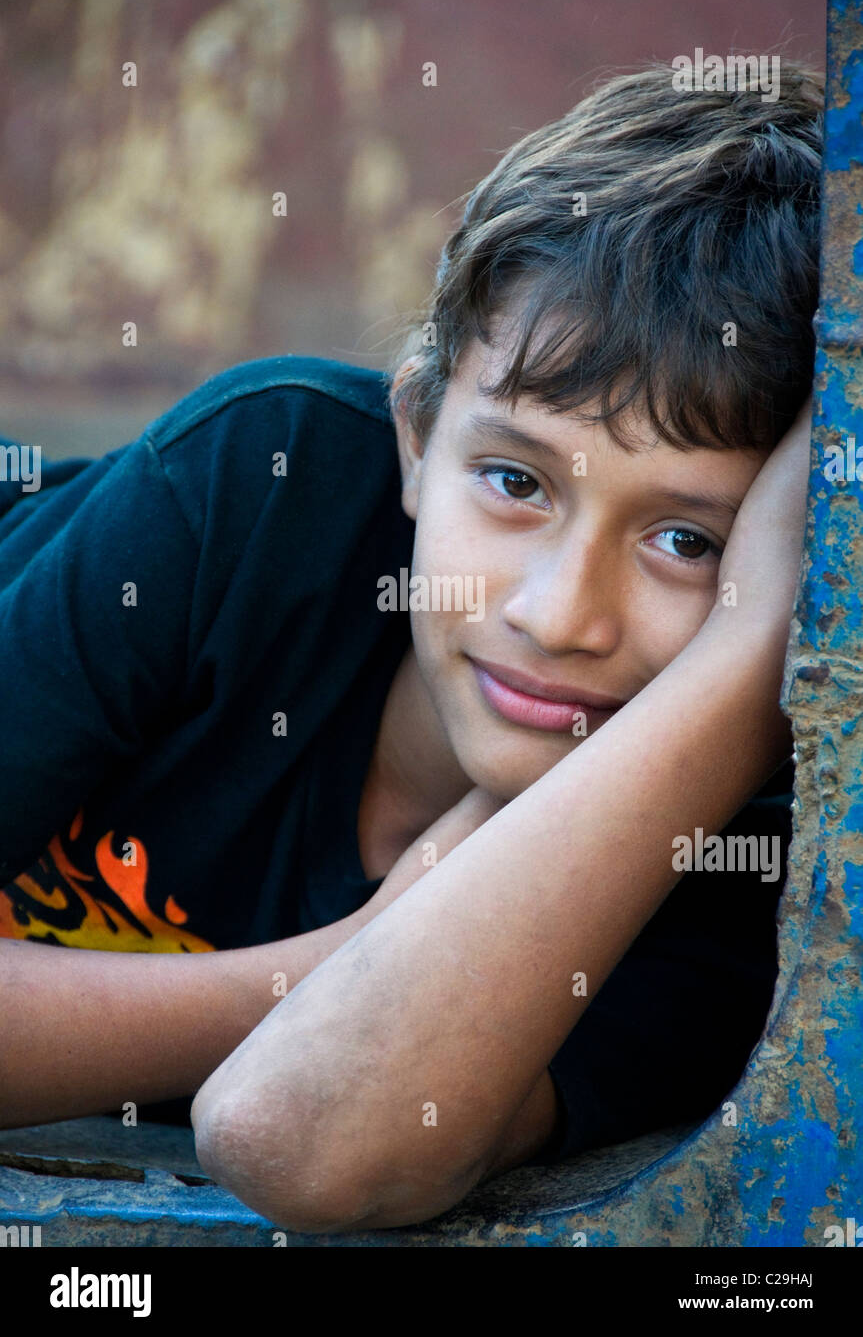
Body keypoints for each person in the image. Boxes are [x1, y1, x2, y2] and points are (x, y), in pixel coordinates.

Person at [0, 59, 821, 1234]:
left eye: (689, 541)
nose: (556, 614)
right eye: (511, 480)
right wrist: (328, 958)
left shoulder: (744, 863)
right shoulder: (265, 489)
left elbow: (299, 1137)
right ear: (413, 438)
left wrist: (743, 660)